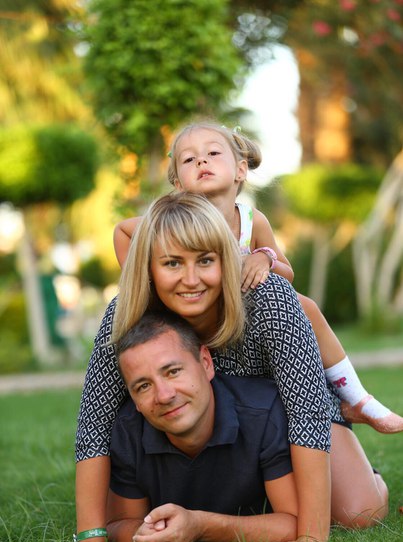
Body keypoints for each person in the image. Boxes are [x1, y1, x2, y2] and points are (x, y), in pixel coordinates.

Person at [75, 191, 388, 542]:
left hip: (292, 409)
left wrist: (310, 535)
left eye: (205, 260)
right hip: (206, 429)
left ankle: (370, 478)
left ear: (226, 259)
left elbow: (306, 413)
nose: (191, 279)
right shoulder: (127, 312)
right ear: (149, 268)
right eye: (172, 263)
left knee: (357, 513)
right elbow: (94, 424)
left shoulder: (269, 299)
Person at [114, 121, 403, 435]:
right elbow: (123, 231)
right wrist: (147, 286)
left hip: (245, 314)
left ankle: (356, 397)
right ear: (178, 183)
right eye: (188, 159)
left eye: (213, 153)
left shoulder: (252, 221)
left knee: (305, 306)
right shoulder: (171, 223)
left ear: (240, 170)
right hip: (194, 313)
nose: (201, 161)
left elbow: (287, 274)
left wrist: (264, 257)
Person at [106, 311, 298, 542]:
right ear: (133, 399)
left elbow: (294, 524)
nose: (164, 395)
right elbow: (117, 525)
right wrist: (152, 535)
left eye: (173, 371)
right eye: (143, 386)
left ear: (206, 363)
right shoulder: (129, 430)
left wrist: (201, 526)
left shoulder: (263, 412)